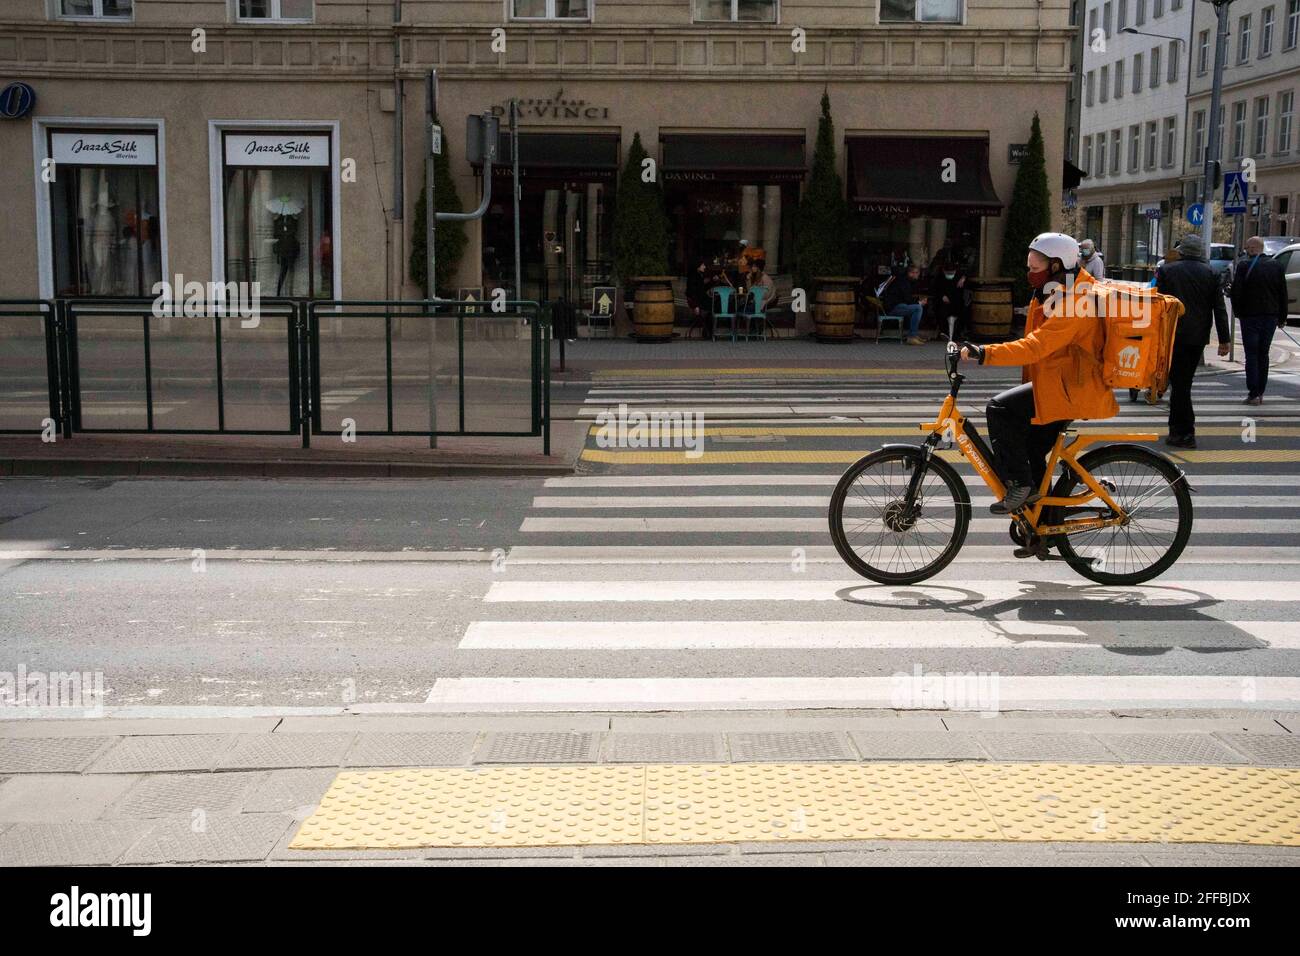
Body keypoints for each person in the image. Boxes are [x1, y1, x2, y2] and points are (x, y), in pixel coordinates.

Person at [960, 232, 1116, 518]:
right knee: (1028, 450)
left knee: (1000, 408)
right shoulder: (1053, 290)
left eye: (1034, 269)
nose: (1029, 274)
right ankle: (1042, 524)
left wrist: (985, 353)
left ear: (1056, 266)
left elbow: (1036, 346)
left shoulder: (1077, 300)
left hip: (1071, 389)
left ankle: (1021, 486)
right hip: (1059, 384)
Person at [1155, 234, 1230, 448]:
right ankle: (1177, 430)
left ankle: (1184, 433)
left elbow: (1158, 305)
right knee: (1182, 383)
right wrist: (1224, 340)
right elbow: (1219, 308)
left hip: (1172, 335)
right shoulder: (1211, 273)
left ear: (1182, 251)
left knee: (1179, 385)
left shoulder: (1168, 271)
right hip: (1197, 338)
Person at [1230, 235, 1288, 406]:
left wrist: (1239, 312)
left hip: (1250, 317)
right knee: (1264, 354)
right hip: (1270, 317)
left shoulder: (1244, 266)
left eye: (1248, 248)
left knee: (1252, 354)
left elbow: (1236, 292)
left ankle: (1253, 392)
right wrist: (1282, 317)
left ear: (1254, 248)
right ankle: (1261, 392)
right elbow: (1282, 293)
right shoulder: (1276, 266)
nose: (1246, 251)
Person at [881, 263, 928, 345]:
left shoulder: (905, 280)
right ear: (910, 273)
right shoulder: (903, 281)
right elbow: (907, 299)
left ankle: (913, 335)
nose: (917, 275)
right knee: (918, 308)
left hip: (897, 306)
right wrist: (919, 302)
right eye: (915, 273)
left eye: (918, 273)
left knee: (915, 308)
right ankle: (912, 337)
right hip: (893, 308)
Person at [930, 265, 968, 340]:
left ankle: (957, 334)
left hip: (957, 301)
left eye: (952, 273)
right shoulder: (939, 278)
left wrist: (963, 279)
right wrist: (942, 296)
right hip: (943, 301)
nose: (950, 275)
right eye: (948, 273)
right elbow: (934, 289)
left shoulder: (959, 276)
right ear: (944, 271)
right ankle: (943, 333)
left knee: (963, 313)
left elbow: (968, 275)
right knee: (941, 312)